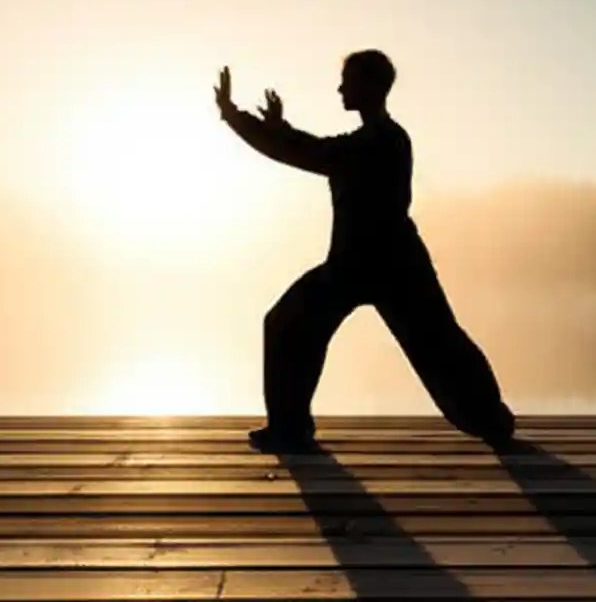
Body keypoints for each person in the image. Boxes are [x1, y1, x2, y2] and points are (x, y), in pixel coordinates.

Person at [214, 50, 515, 452]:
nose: (340, 88)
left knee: (440, 345)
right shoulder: (374, 139)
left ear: (372, 87)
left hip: (391, 267)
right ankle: (290, 428)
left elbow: (312, 153)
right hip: (355, 265)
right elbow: (315, 150)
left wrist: (235, 116)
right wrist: (276, 127)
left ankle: (491, 421)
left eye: (348, 80)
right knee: (287, 323)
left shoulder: (383, 141)